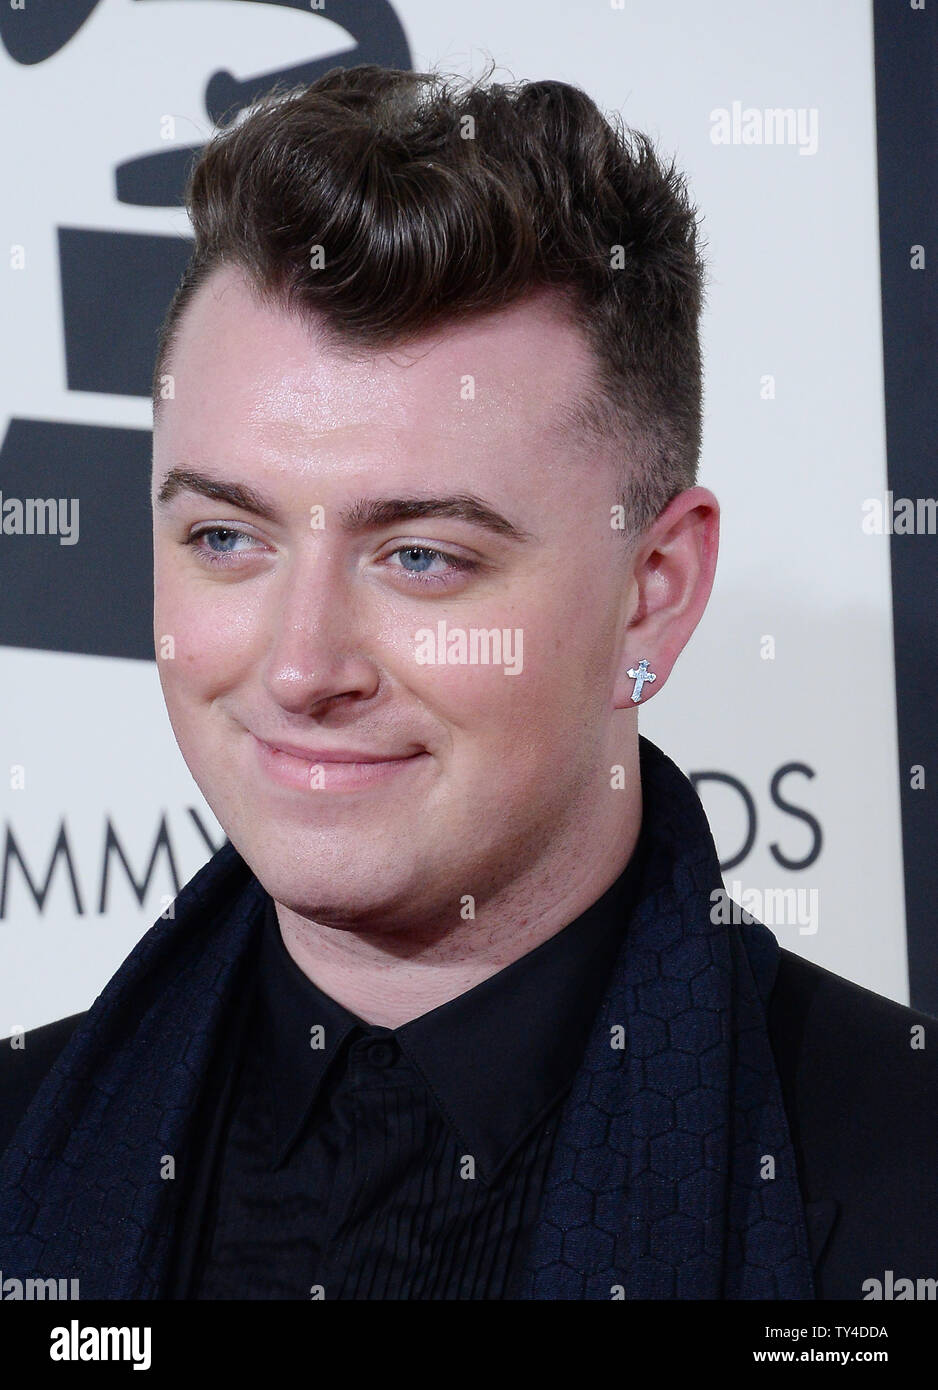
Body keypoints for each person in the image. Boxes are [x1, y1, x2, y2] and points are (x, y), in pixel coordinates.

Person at [2, 63, 937, 1302]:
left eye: (422, 557)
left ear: (651, 590)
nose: (300, 666)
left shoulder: (901, 1185)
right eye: (229, 538)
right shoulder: (23, 1137)